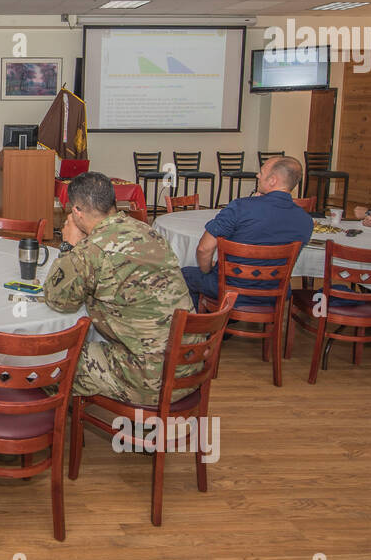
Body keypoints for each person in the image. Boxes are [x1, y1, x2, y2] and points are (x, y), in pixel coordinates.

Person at [44, 172, 190, 405]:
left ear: (77, 212)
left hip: (150, 378)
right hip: (187, 364)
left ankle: (47, 425)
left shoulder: (93, 249)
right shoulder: (149, 231)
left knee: (51, 362)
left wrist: (69, 245)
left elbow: (57, 298)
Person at [181, 155, 313, 309]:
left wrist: (207, 271)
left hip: (230, 288)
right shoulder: (305, 220)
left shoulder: (241, 207)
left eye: (262, 172)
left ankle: (206, 325)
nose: (257, 175)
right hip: (274, 292)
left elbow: (204, 248)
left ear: (273, 180)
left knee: (184, 275)